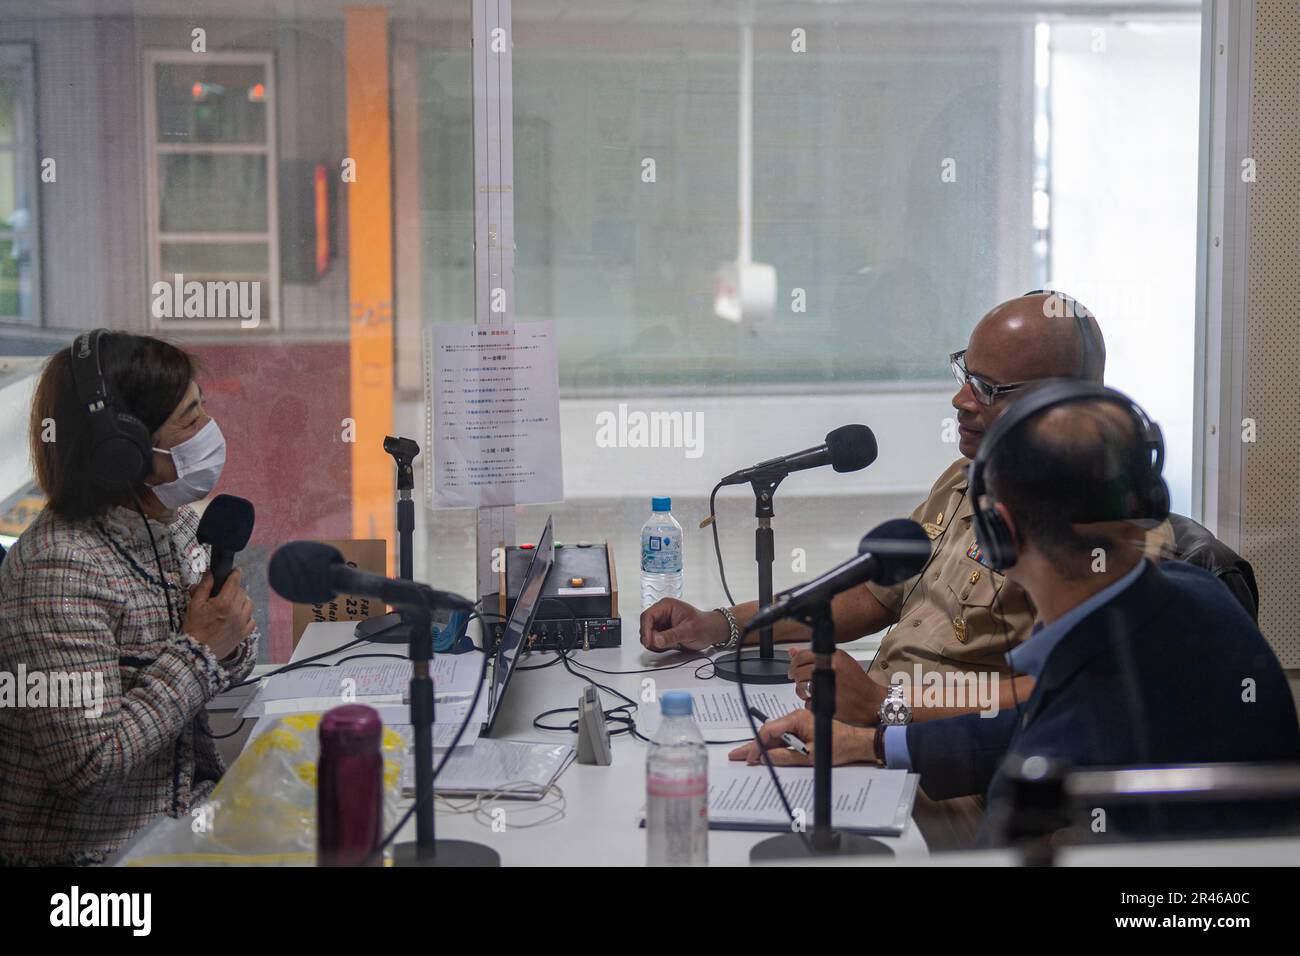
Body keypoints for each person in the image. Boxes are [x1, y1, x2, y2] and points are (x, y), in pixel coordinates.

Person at [731, 383, 1300, 843]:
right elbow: (1016, 722)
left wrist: (884, 713)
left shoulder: (1055, 758)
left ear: (998, 536)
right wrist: (872, 743)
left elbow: (1043, 731)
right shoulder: (1192, 596)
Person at [641, 290, 1173, 727]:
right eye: (965, 373)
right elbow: (869, 597)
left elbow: (1065, 696)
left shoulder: (1100, 526)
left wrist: (884, 712)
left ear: (1061, 403)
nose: (961, 400)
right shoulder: (966, 479)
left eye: (987, 389)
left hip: (953, 765)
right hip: (877, 724)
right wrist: (718, 626)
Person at [0, 330, 258, 865]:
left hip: (182, 825)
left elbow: (229, 659)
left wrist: (227, 642)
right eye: (188, 420)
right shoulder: (58, 571)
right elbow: (87, 766)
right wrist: (199, 651)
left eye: (201, 409)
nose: (208, 431)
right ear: (122, 452)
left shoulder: (174, 527)